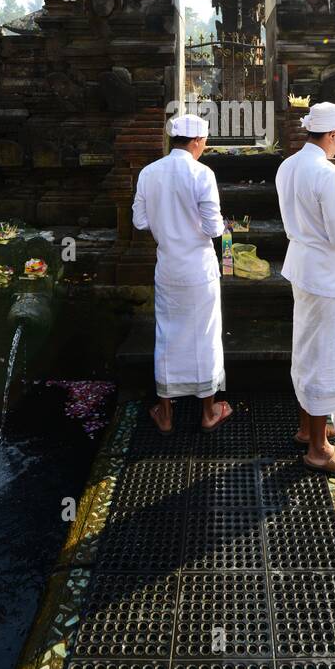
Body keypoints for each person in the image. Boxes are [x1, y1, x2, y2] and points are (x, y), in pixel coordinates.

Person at [275, 101, 335, 476]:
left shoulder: (287, 165)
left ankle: (305, 427)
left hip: (302, 266)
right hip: (327, 274)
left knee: (309, 346)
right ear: (332, 134)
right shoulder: (327, 174)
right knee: (328, 355)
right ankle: (319, 448)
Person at [132, 112, 232, 435]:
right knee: (204, 336)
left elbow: (140, 222)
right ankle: (208, 411)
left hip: (168, 268)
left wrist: (168, 223)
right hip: (199, 270)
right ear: (198, 142)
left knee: (167, 334)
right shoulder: (203, 174)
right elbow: (215, 229)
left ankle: (165, 413)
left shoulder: (149, 173)